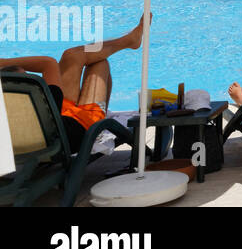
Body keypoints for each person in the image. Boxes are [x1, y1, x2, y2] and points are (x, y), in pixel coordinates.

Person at [0, 17, 147, 152]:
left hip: (52, 121)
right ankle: (128, 41)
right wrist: (4, 62)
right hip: (74, 131)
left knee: (71, 55)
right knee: (99, 63)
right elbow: (48, 63)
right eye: (27, 76)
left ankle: (129, 40)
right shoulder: (43, 103)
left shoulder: (20, 110)